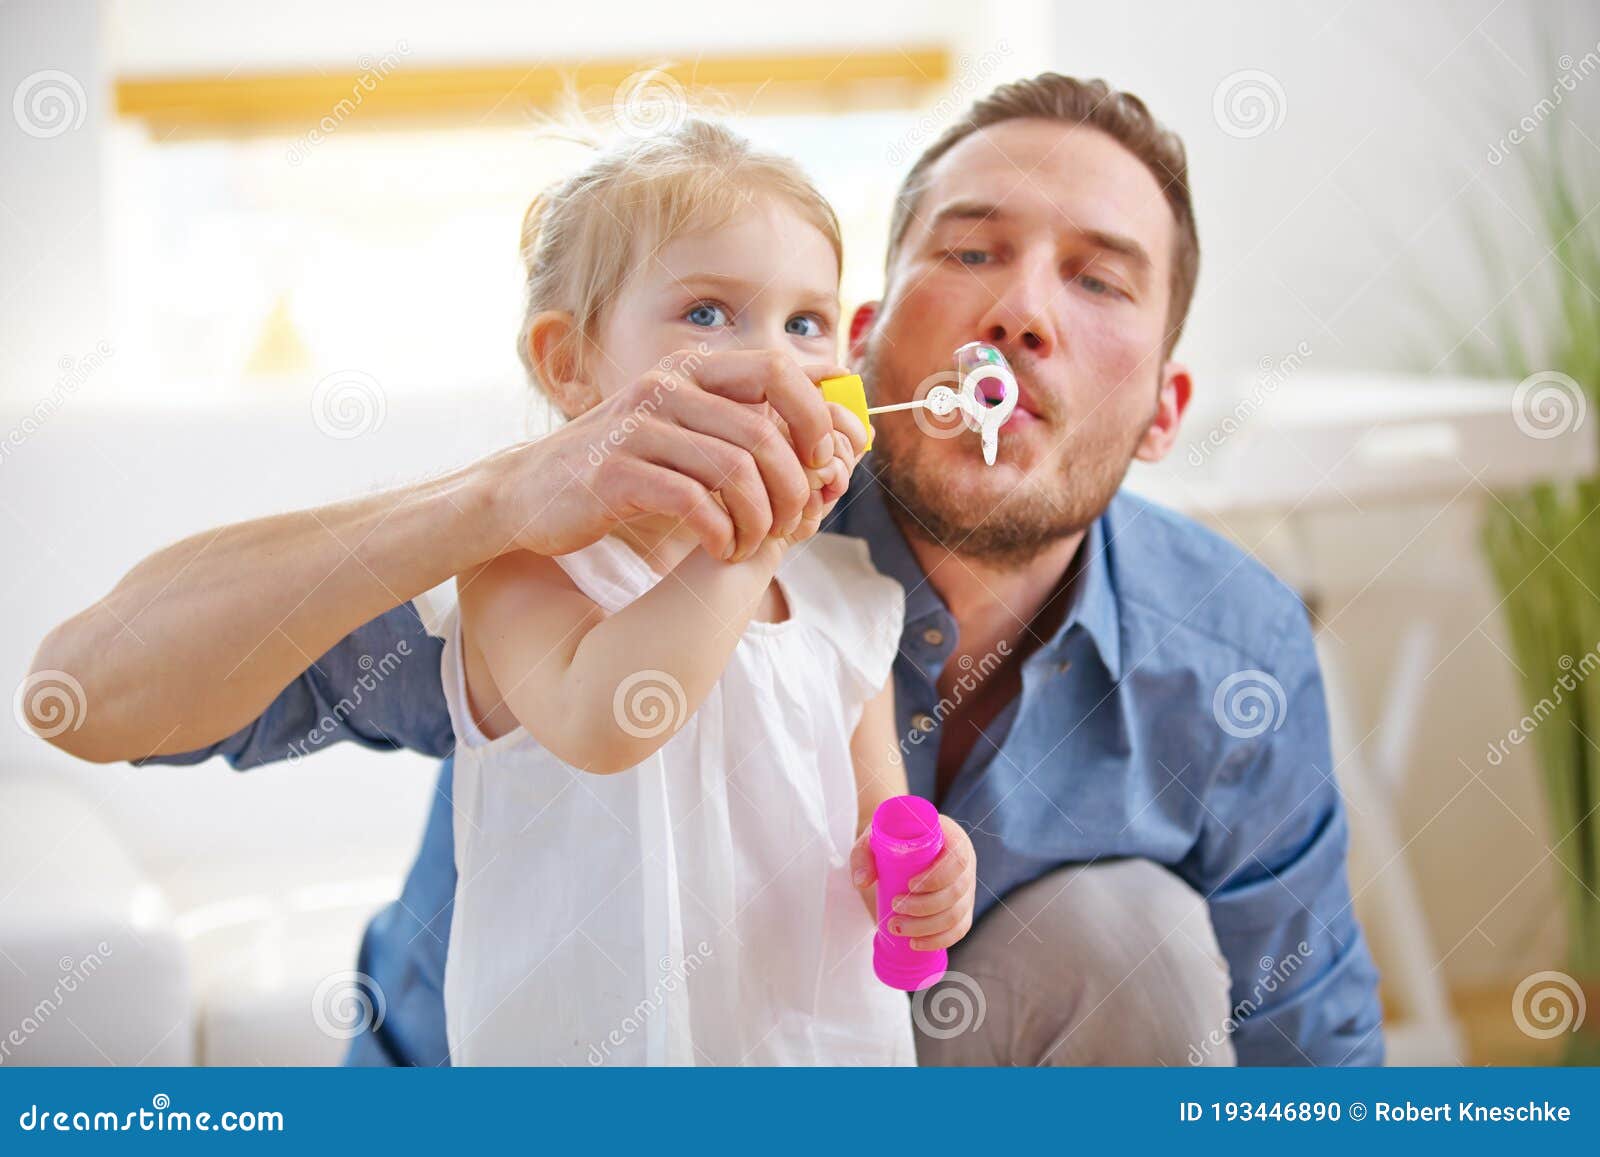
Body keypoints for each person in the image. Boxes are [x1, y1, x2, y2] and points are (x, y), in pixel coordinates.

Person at [31, 73, 1384, 1066]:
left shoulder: (1227, 649)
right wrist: (497, 498)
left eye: (1098, 280)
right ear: (868, 344)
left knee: (1129, 934)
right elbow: (82, 698)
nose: (1018, 308)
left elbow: (1310, 1060)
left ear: (1163, 407)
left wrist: (919, 875)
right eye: (970, 251)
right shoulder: (604, 532)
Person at [441, 118, 974, 1064]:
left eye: (805, 323)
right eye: (708, 312)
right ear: (569, 364)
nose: (775, 363)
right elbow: (608, 722)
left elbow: (881, 829)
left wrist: (929, 873)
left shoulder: (847, 600)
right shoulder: (521, 567)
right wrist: (750, 542)